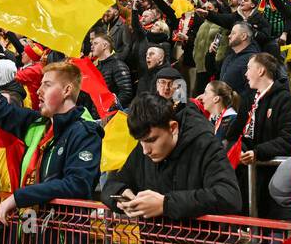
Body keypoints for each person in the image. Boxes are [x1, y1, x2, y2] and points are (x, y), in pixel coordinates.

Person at [0, 41, 103, 226]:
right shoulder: (38, 124)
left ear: (67, 90)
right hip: (31, 232)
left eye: (47, 85)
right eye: (40, 84)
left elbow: (77, 184)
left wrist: (20, 197)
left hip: (62, 242)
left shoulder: (85, 132)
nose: (38, 91)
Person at [100, 94, 241, 223]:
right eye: (140, 141)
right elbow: (111, 185)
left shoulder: (205, 145)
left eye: (152, 140)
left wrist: (166, 204)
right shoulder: (143, 148)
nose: (145, 150)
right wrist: (122, 196)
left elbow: (229, 196)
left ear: (173, 128)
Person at [237, 52, 291, 218]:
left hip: (271, 179)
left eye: (249, 68)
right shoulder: (248, 99)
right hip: (249, 177)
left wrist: (258, 152)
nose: (245, 74)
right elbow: (239, 133)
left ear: (261, 71)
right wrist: (242, 148)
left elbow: (288, 139)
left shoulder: (285, 100)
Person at [89, 30, 134, 110]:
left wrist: (109, 109)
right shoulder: (96, 67)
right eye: (92, 44)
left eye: (95, 43)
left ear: (105, 46)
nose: (92, 47)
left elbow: (126, 93)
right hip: (96, 116)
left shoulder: (118, 65)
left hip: (110, 116)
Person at [199, 80, 241, 148]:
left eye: (205, 93)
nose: (201, 97)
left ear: (216, 99)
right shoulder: (212, 119)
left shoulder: (233, 120)